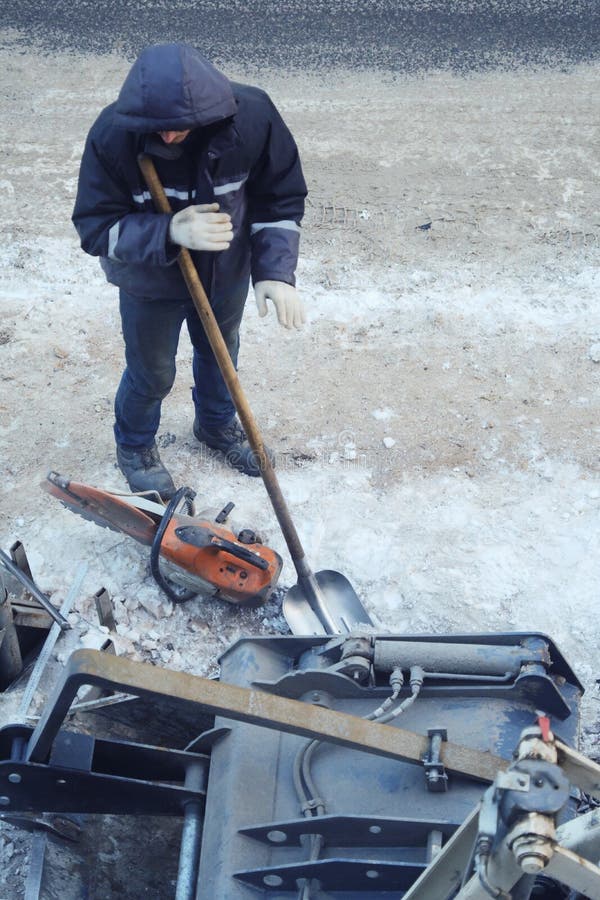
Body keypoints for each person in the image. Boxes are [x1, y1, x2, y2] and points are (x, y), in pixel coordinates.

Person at [72, 42, 307, 498]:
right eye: (156, 128)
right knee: (152, 371)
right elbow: (95, 227)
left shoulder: (253, 117)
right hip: (148, 282)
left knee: (222, 355)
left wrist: (275, 272)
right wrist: (169, 231)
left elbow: (279, 197)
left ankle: (216, 426)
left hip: (226, 273)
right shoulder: (113, 135)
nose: (168, 137)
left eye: (178, 126)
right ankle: (136, 444)